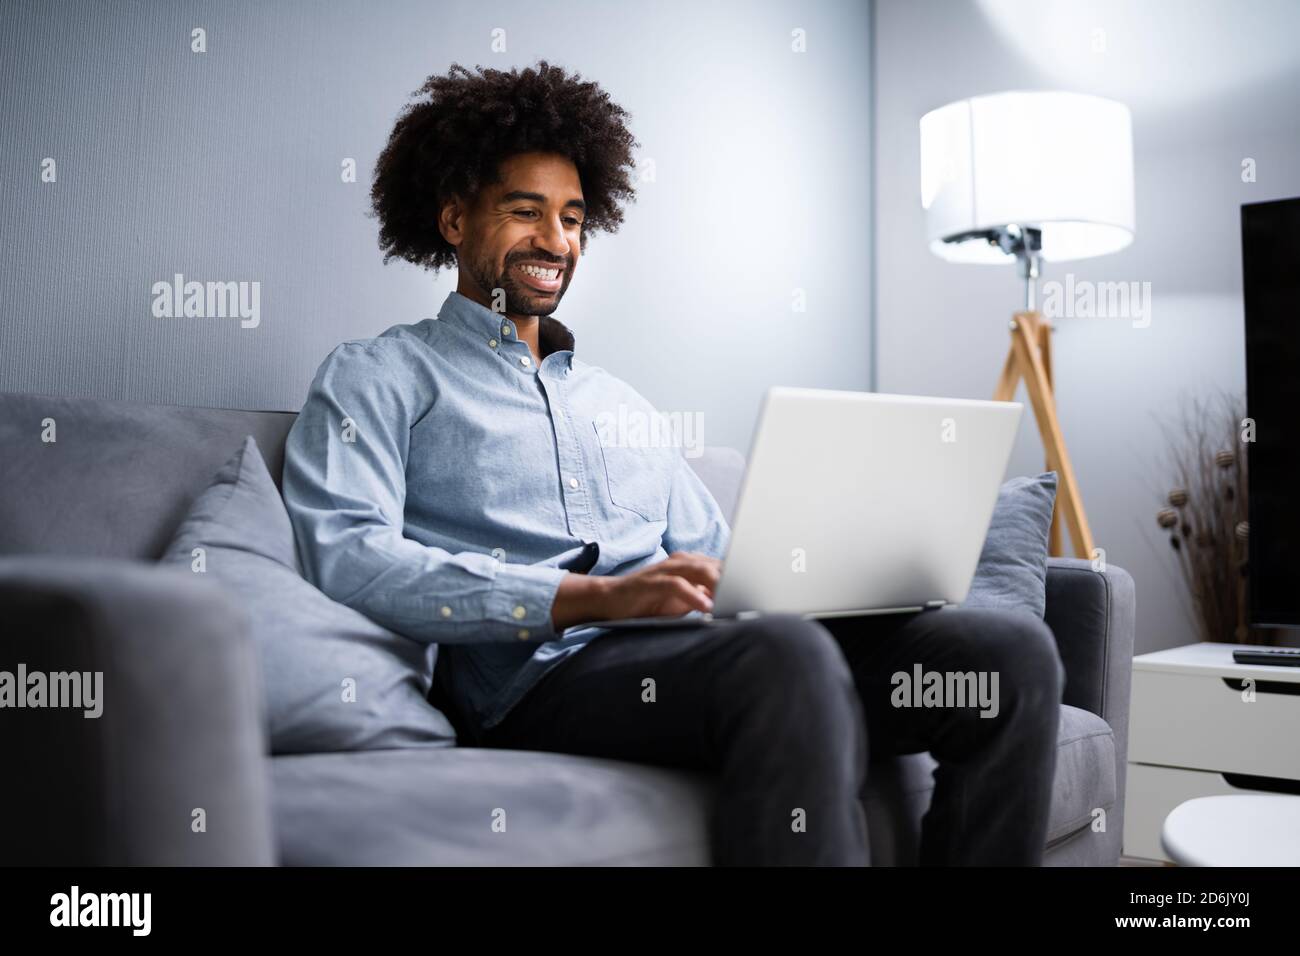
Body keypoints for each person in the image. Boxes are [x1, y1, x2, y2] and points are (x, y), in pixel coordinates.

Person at [281, 60, 1064, 866]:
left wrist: (846, 587)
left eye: (574, 219)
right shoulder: (380, 374)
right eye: (527, 212)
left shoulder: (620, 405)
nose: (556, 240)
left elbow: (723, 562)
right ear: (452, 219)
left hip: (705, 662)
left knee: (1006, 657)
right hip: (544, 683)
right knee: (784, 660)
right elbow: (350, 558)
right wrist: (596, 597)